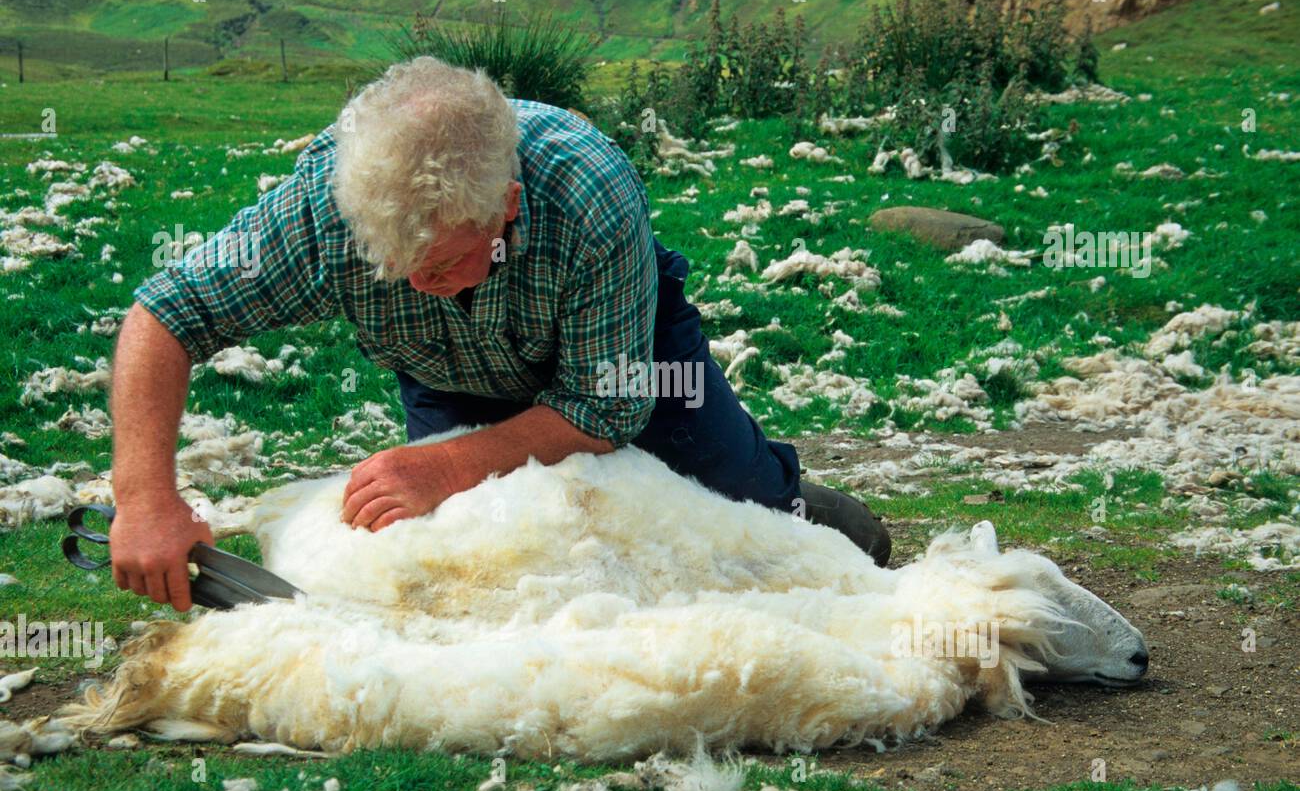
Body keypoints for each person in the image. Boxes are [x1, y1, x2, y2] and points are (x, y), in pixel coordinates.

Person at [109, 56, 890, 612]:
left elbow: (599, 410)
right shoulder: (323, 208)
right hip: (448, 368)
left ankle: (797, 506)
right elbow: (165, 316)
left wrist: (442, 465)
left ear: (506, 206)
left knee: (733, 507)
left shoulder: (586, 190)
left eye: (442, 263)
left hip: (622, 368)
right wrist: (145, 502)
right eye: (393, 264)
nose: (416, 282)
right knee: (486, 566)